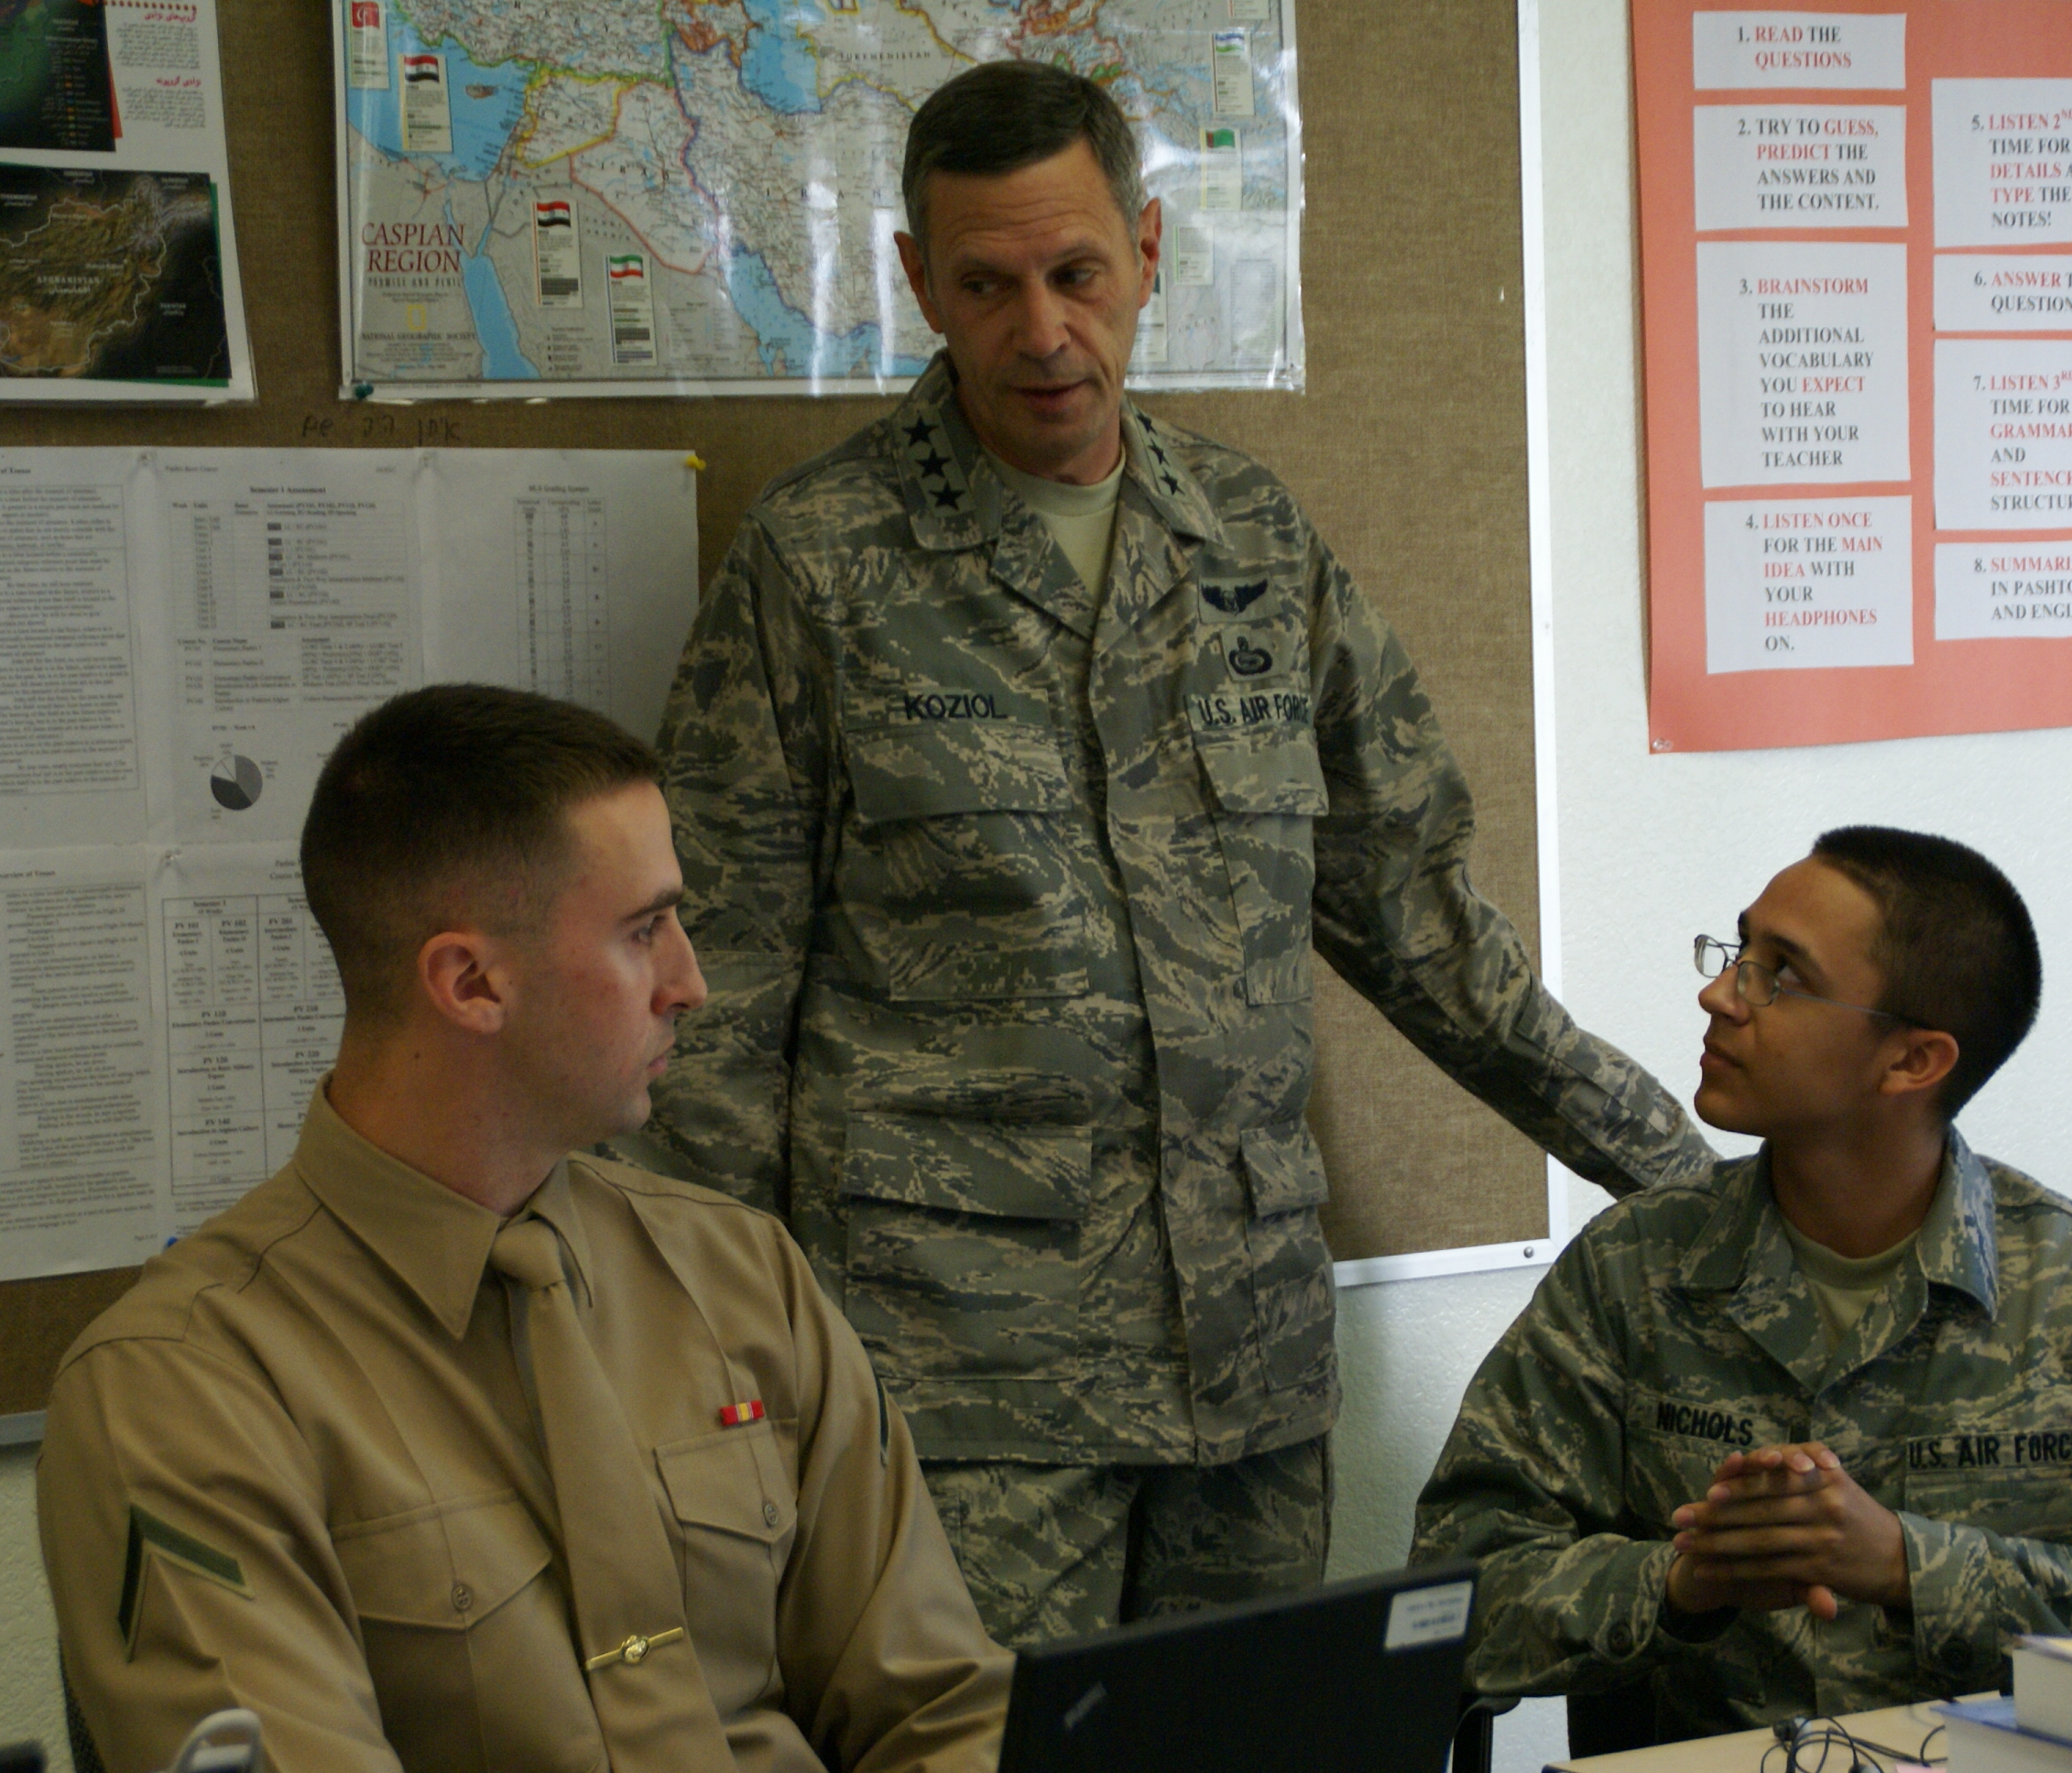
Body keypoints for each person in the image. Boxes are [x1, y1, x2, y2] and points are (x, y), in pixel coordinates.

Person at [625, 59, 1719, 1646]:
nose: (1043, 331)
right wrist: (714, 1377)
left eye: (1077, 273)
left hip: (1247, 1369)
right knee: (982, 1756)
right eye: (988, 286)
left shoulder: (1254, 546)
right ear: (920, 284)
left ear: (1147, 252)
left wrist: (1682, 1179)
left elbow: (1421, 927)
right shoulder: (821, 566)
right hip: (962, 1391)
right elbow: (708, 1011)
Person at [38, 686, 1008, 1773]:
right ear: (471, 983)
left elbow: (946, 1709)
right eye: (643, 930)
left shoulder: (742, 1275)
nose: (691, 982)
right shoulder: (181, 1389)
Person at [1412, 828, 2072, 1738]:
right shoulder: (1634, 1270)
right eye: (1738, 951)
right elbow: (1451, 1595)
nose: (1719, 994)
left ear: (1912, 1061)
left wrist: (1911, 1567)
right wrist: (1681, 1583)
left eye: (1780, 975)